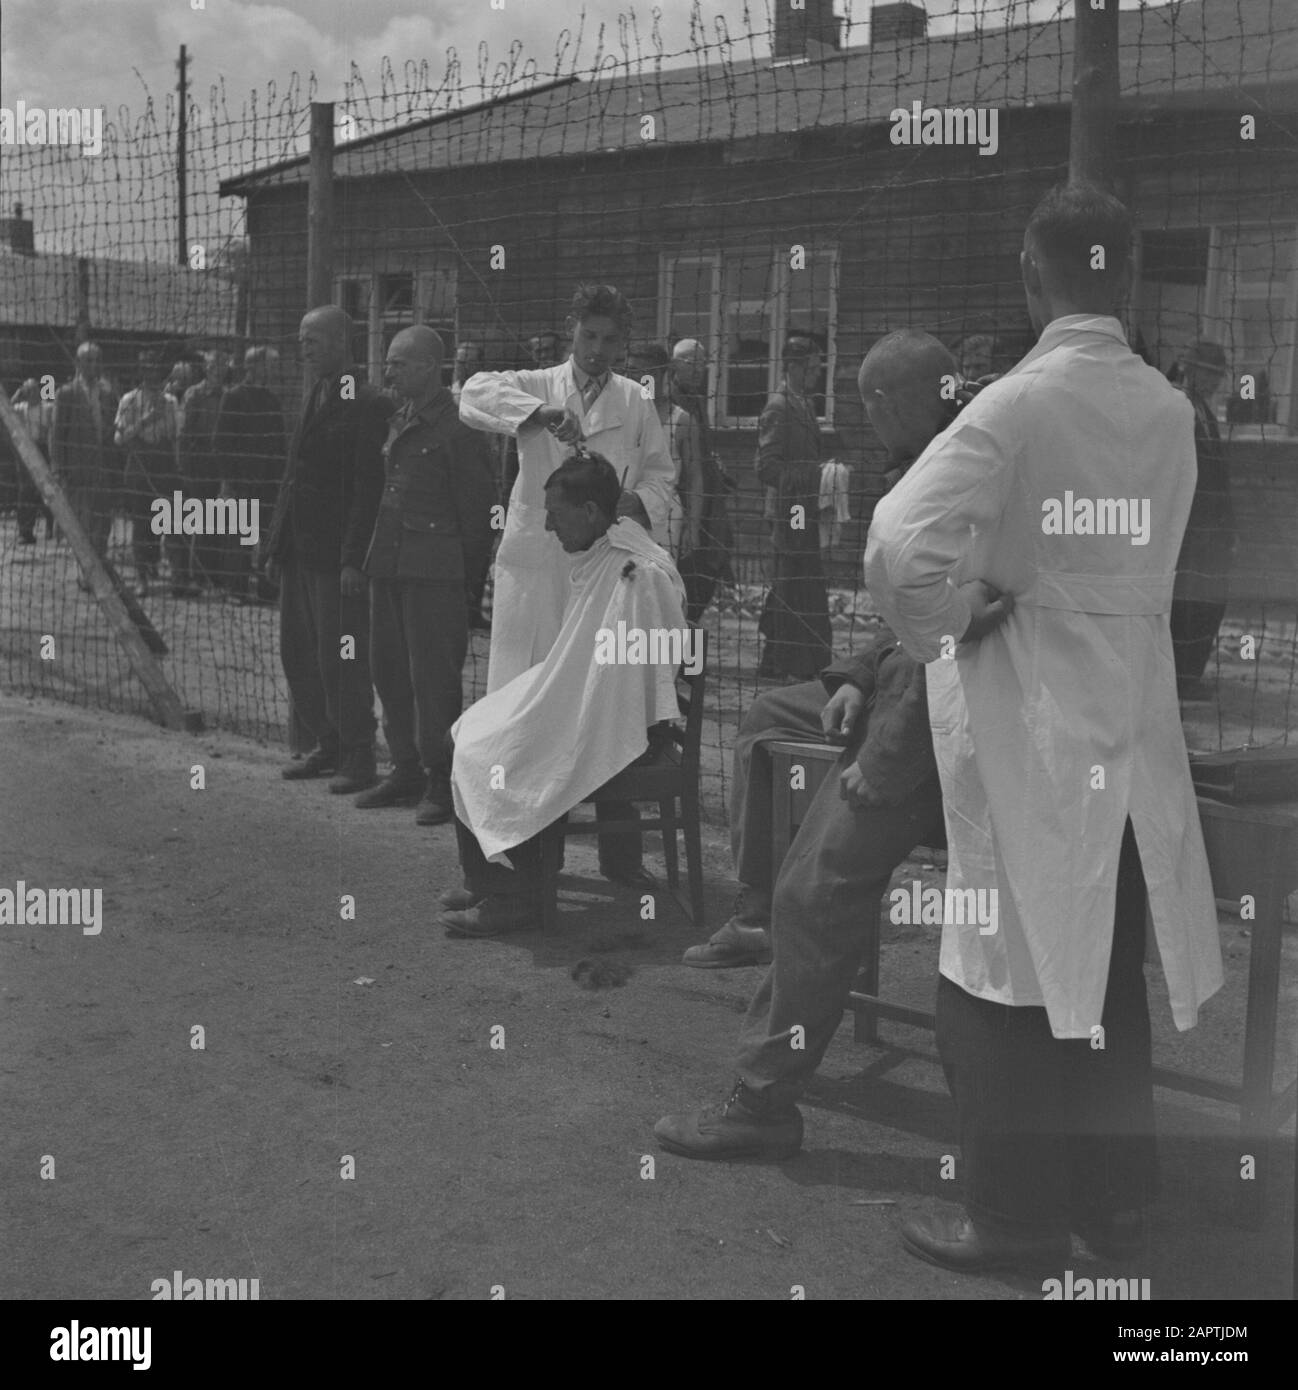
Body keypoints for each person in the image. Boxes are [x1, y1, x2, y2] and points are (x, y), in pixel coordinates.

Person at [863, 183, 1223, 1272]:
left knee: (997, 967)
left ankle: (1012, 1217)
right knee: (1099, 961)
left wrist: (942, 619)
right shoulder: (1168, 412)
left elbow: (895, 540)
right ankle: (1113, 1200)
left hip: (1026, 718)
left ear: (1032, 277)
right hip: (1129, 718)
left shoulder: (1015, 404)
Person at [674, 329, 964, 974]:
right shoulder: (954, 452)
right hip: (877, 640)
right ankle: (763, 908)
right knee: (776, 696)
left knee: (778, 699)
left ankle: (769, 916)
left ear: (884, 403)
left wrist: (879, 703)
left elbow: (945, 623)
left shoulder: (944, 474)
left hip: (932, 709)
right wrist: (859, 675)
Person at [459, 284, 678, 885]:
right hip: (535, 571)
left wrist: (634, 499)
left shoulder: (636, 401)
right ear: (570, 331)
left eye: (610, 340)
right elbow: (472, 394)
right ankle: (521, 870)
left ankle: (623, 862)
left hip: (605, 569)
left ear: (624, 342)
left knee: (604, 699)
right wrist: (537, 415)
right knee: (522, 709)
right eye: (589, 336)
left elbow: (663, 474)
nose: (598, 349)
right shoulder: (535, 386)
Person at [440, 451, 688, 937]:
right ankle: (491, 878)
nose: (550, 527)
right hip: (591, 705)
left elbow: (629, 680)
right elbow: (587, 662)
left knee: (509, 752)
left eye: (556, 514)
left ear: (592, 512)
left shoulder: (636, 573)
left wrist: (561, 715)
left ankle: (519, 898)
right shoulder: (605, 556)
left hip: (627, 725)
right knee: (470, 730)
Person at [357, 326, 496, 825]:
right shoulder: (400, 419)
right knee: (388, 668)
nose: (388, 371)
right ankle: (406, 768)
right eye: (388, 362)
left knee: (433, 679)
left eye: (398, 363)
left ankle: (442, 777)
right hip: (390, 562)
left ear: (428, 367)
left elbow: (477, 515)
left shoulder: (460, 427)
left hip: (436, 575)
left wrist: (466, 586)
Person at [263, 305, 393, 794]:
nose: (305, 347)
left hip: (336, 560)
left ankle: (359, 754)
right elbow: (294, 475)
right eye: (301, 339)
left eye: (314, 339)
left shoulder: (367, 402)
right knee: (296, 652)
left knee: (341, 655)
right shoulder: (315, 393)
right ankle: (329, 742)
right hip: (300, 550)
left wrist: (353, 559)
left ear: (344, 341)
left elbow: (367, 488)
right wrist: (276, 543)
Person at [755, 333, 832, 680]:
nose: (818, 375)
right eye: (814, 368)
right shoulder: (779, 405)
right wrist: (810, 477)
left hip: (803, 507)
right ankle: (786, 661)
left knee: (799, 578)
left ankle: (782, 658)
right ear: (795, 366)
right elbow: (766, 467)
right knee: (792, 577)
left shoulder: (804, 402)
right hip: (791, 512)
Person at [1169, 338, 1236, 700]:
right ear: (1189, 369)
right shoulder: (1179, 407)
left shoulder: (1205, 412)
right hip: (1189, 529)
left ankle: (1190, 675)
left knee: (1209, 602)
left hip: (1211, 530)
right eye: (1205, 373)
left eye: (1217, 375)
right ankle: (1180, 678)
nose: (1211, 382)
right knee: (1187, 605)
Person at [669, 338, 734, 621]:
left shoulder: (697, 401)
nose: (698, 370)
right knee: (682, 591)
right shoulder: (670, 404)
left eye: (702, 364)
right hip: (680, 507)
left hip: (708, 506)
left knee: (702, 581)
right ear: (674, 365)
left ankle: (690, 662)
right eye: (691, 363)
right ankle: (683, 662)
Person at [213, 345, 285, 602]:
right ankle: (236, 590)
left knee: (267, 537)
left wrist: (279, 478)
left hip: (267, 483)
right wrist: (231, 481)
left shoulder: (271, 400)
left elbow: (279, 444)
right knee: (238, 540)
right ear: (253, 367)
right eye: (270, 365)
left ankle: (267, 591)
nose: (274, 371)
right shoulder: (233, 397)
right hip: (240, 482)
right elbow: (221, 442)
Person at [625, 341, 703, 565]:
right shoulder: (620, 414)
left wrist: (693, 527)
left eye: (644, 373)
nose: (636, 379)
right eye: (631, 372)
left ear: (662, 374)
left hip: (664, 514)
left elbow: (696, 477)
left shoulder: (682, 420)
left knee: (658, 579)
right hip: (624, 508)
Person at [114, 349, 184, 599]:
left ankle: (179, 577)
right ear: (140, 371)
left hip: (164, 464)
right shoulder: (129, 400)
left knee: (172, 521)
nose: (151, 373)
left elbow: (176, 437)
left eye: (155, 367)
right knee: (142, 524)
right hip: (139, 464)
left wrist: (177, 465)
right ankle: (141, 577)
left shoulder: (171, 401)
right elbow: (119, 438)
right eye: (146, 368)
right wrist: (145, 420)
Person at [50, 343, 119, 579]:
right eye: (89, 360)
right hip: (78, 470)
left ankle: (98, 565)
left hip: (103, 468)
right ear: (78, 364)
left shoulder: (108, 394)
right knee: (84, 522)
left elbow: (112, 432)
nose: (94, 365)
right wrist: (58, 469)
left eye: (97, 360)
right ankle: (87, 571)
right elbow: (58, 435)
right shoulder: (66, 393)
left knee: (103, 520)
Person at [179, 349, 234, 593]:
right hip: (199, 461)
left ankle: (218, 574)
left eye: (222, 366)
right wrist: (185, 467)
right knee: (201, 521)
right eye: (213, 366)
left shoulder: (228, 395)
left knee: (221, 519)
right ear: (206, 369)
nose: (218, 371)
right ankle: (199, 574)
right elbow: (184, 434)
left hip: (222, 461)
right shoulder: (194, 395)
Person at [11, 378, 55, 545]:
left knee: (47, 490)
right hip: (26, 450)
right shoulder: (20, 408)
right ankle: (25, 531)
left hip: (43, 448)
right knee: (25, 492)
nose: (31, 394)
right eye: (27, 391)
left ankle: (51, 526)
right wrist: (17, 394)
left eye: (34, 390)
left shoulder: (48, 407)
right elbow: (6, 410)